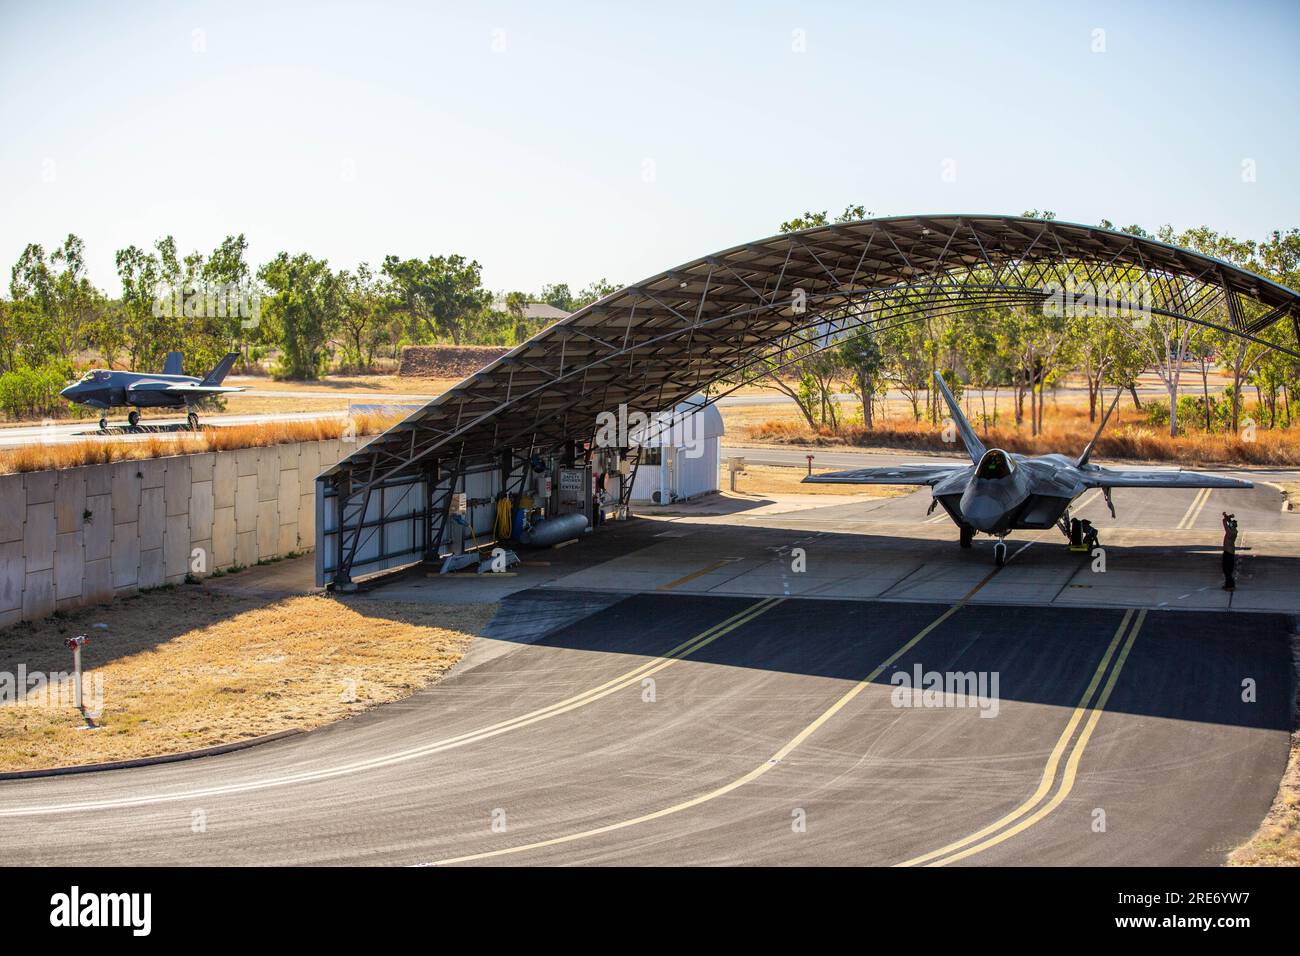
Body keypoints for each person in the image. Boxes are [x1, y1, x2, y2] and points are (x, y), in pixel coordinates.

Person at [1221, 512, 1238, 591]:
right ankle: (1228, 584)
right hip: (1231, 552)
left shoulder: (1229, 532)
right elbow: (1229, 523)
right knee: (1229, 570)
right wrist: (1228, 517)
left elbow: (1224, 522)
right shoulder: (1235, 531)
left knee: (1226, 570)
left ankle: (1230, 585)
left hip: (1227, 552)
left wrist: (1227, 517)